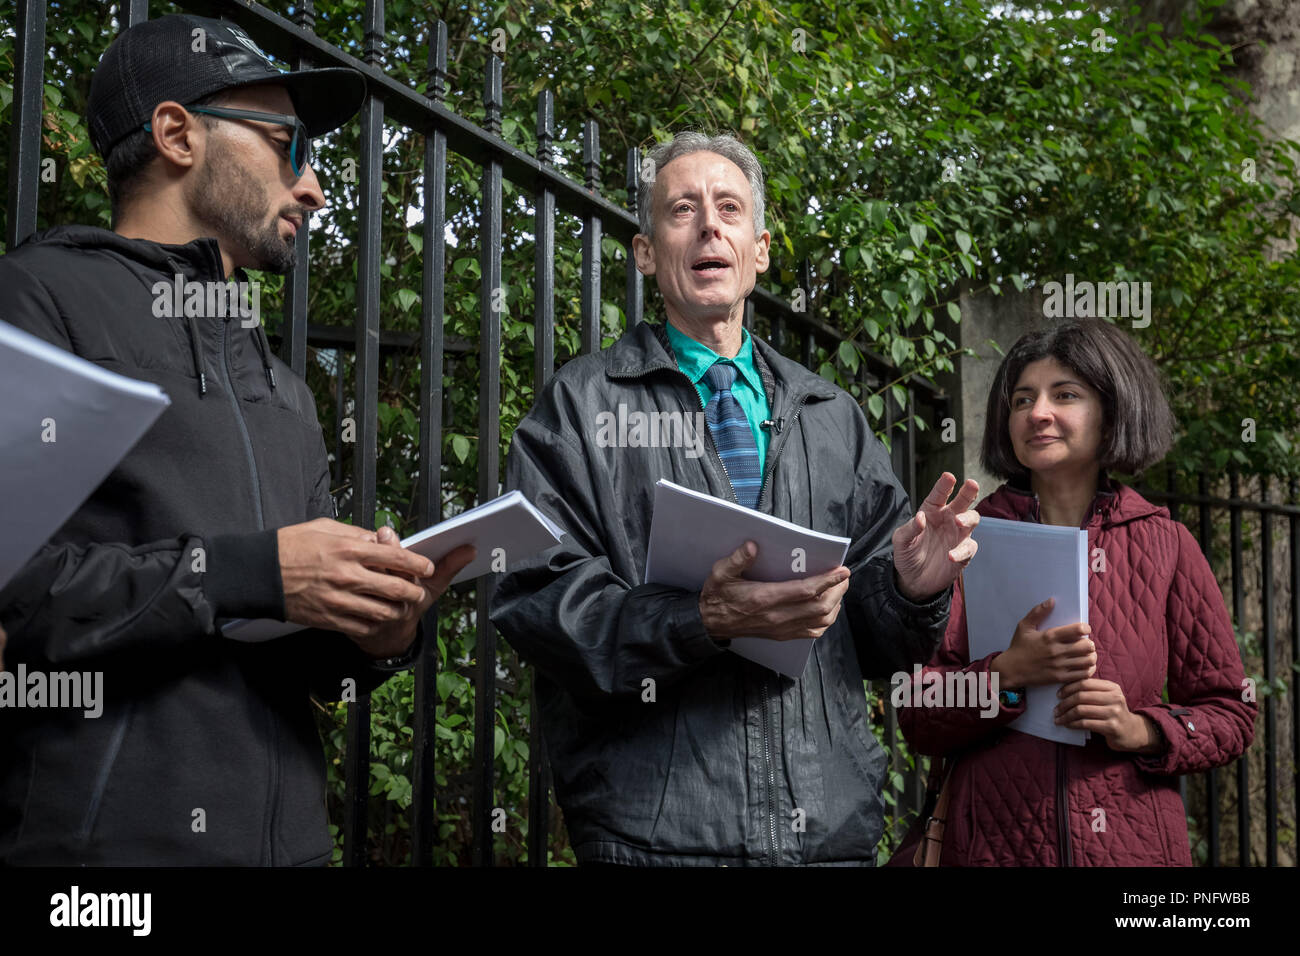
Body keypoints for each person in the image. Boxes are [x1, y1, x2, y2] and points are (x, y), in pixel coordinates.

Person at [0, 14, 473, 865]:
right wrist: (251, 571)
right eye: (287, 144)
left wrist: (377, 633)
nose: (315, 186)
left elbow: (298, 650)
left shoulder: (284, 388)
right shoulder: (37, 305)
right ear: (178, 134)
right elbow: (16, 600)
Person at [489, 131, 981, 866]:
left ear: (760, 249)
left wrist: (912, 589)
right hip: (652, 841)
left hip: (827, 836)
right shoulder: (580, 405)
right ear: (647, 252)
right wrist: (698, 620)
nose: (709, 226)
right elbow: (534, 598)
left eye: (728, 208)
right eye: (681, 209)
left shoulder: (831, 415)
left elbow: (877, 642)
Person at [891, 318, 1257, 866]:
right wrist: (1004, 675)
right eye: (1021, 399)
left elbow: (1232, 713)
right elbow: (915, 711)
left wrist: (1141, 729)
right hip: (990, 848)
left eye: (1065, 395)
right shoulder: (967, 539)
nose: (1037, 413)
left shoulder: (1168, 544)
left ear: (1113, 408)